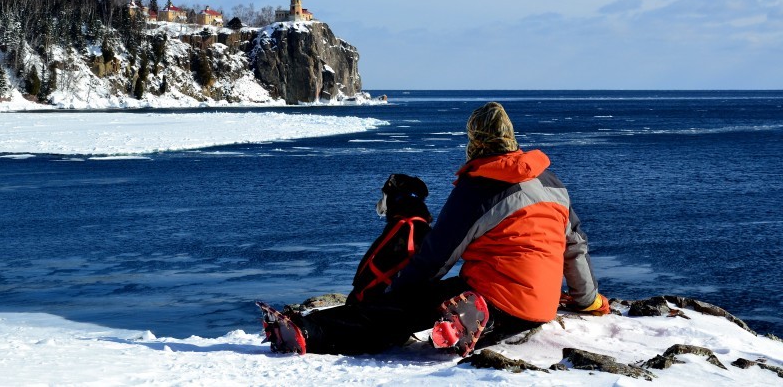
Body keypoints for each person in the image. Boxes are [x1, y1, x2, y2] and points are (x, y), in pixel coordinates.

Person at [260, 101, 608, 356]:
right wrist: (588, 300)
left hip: (494, 293)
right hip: (541, 306)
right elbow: (575, 247)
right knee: (487, 306)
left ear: (475, 139)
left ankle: (310, 332)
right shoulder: (551, 183)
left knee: (400, 311)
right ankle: (478, 325)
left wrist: (397, 294)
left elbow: (436, 257)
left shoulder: (479, 188)